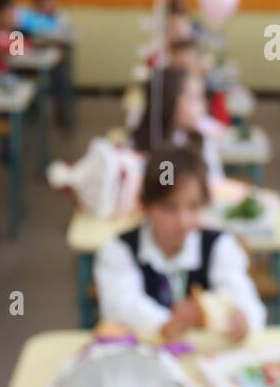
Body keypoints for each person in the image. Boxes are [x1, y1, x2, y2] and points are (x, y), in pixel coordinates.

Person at [95, 146, 265, 342]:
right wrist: (165, 323)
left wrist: (243, 319)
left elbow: (243, 297)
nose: (182, 220)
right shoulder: (120, 250)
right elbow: (121, 305)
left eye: (193, 207)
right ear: (146, 205)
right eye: (169, 208)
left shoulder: (219, 246)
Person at [131, 66, 225, 184]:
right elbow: (166, 190)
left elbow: (215, 183)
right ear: (170, 102)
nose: (204, 105)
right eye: (194, 98)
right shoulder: (160, 151)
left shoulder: (199, 141)